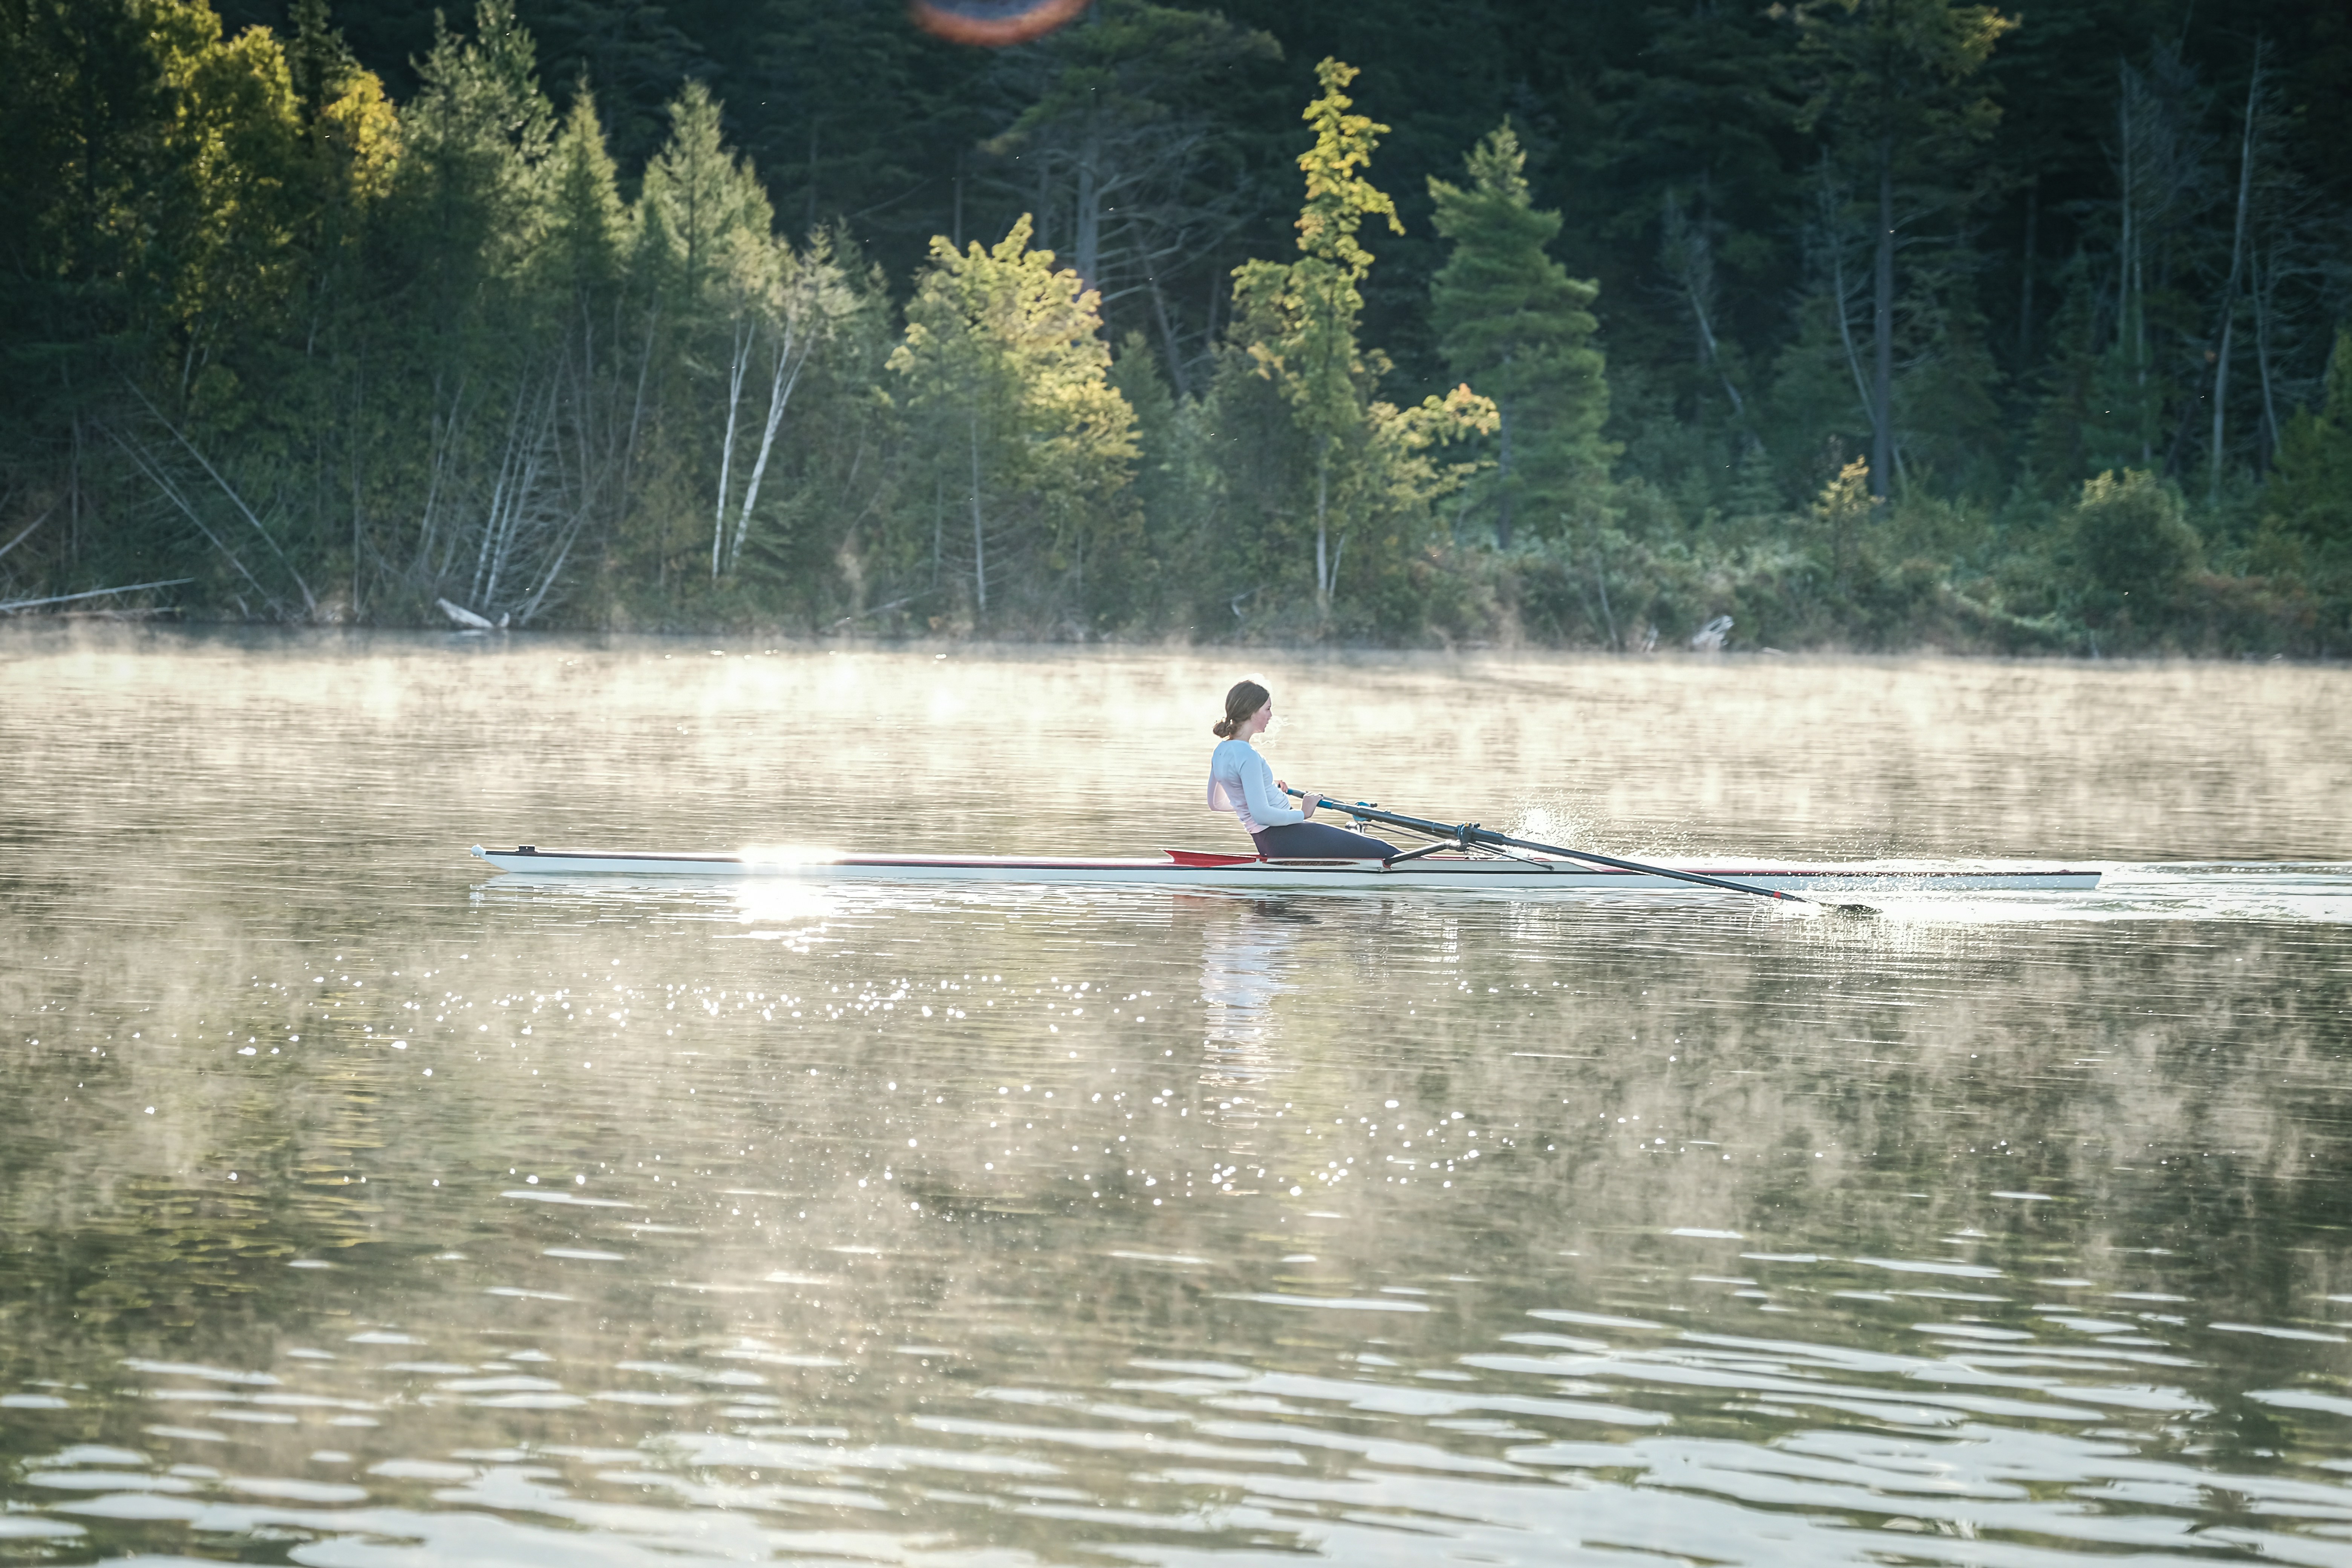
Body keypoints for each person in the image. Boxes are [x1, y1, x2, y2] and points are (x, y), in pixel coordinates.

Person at [1206, 680, 1398, 860]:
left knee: (1370, 844)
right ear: (1252, 711)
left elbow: (1217, 804)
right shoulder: (1248, 755)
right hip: (1286, 837)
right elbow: (1262, 815)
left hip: (1269, 841)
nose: (1271, 716)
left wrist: (1266, 790)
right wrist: (1304, 813)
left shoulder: (1221, 751)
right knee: (1384, 851)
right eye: (1268, 709)